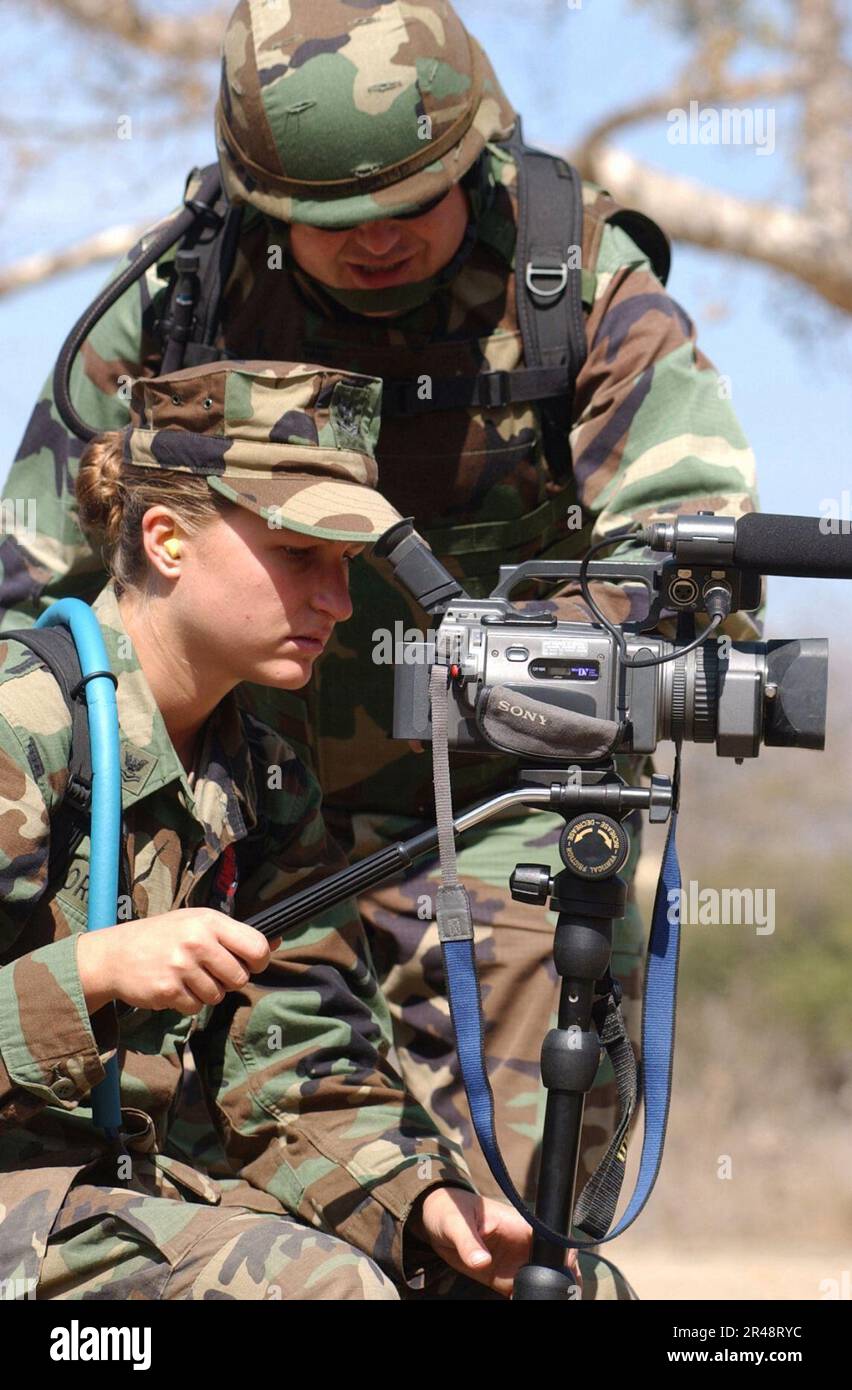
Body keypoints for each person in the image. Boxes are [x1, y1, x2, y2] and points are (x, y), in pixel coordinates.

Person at [0, 0, 761, 1299]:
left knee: (500, 1225)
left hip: (495, 795)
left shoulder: (576, 281)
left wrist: (426, 1208)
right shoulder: (185, 297)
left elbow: (694, 542)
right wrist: (85, 950)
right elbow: (36, 574)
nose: (372, 244)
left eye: (406, 204)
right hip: (204, 795)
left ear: (476, 159)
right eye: (328, 220)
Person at [0, 358, 542, 1301]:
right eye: (299, 556)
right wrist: (89, 974)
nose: (337, 602)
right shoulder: (20, 727)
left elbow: (291, 1057)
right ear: (165, 539)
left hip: (114, 1206)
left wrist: (422, 1203)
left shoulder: (261, 772)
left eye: (345, 565)